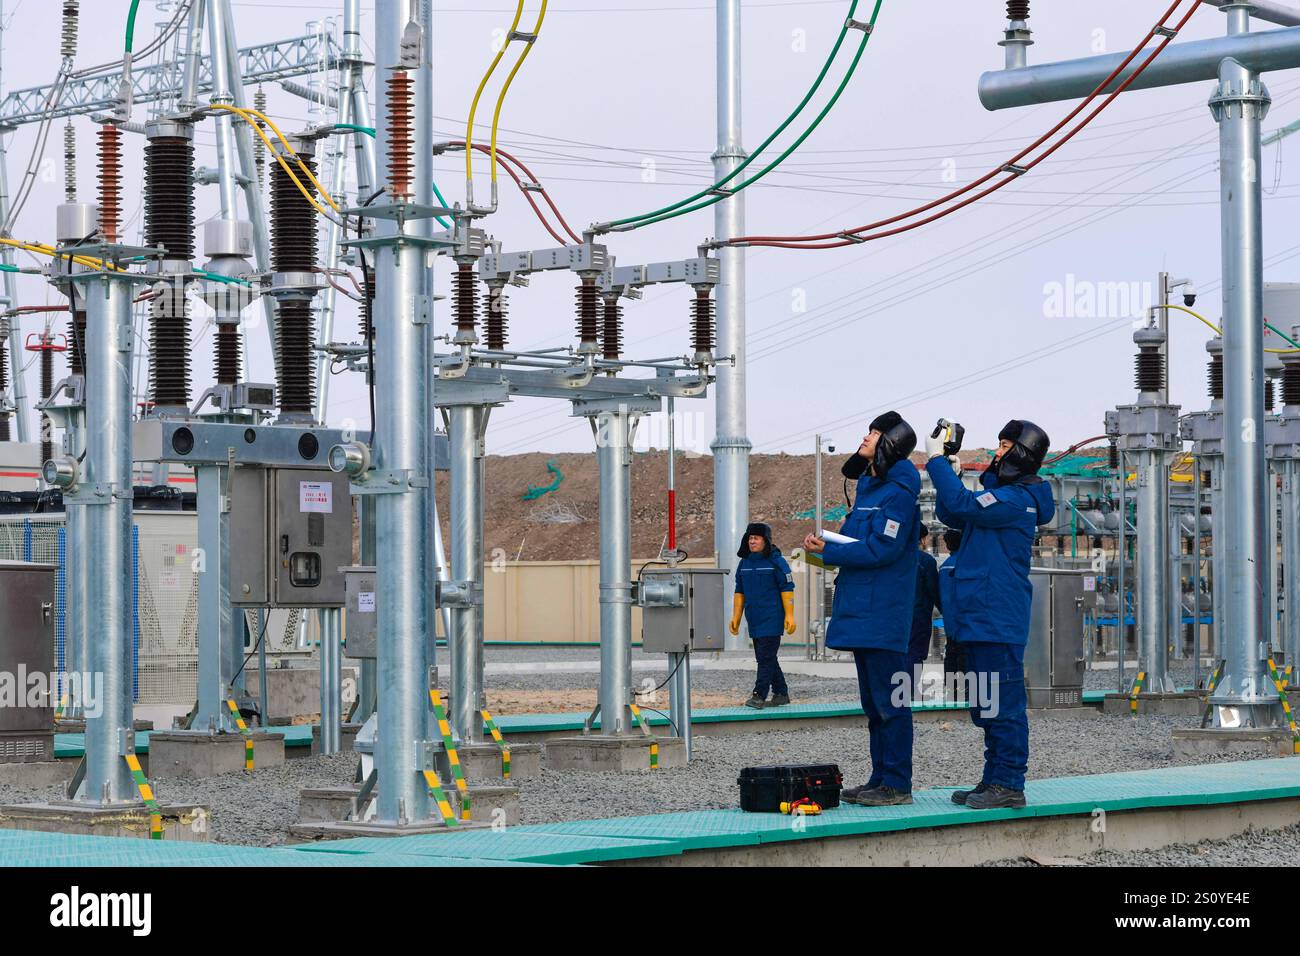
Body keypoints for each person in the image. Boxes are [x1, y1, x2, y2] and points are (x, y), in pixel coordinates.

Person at [924, 419, 1055, 810]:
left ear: (1021, 453)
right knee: (986, 706)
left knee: (1004, 704)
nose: (996, 452)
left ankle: (1010, 783)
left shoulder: (1017, 501)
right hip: (979, 616)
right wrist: (950, 472)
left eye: (1003, 445)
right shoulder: (1002, 500)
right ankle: (994, 779)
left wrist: (934, 463)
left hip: (996, 617)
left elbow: (964, 505)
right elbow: (953, 511)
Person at [804, 411, 920, 807]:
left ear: (890, 443)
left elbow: (882, 549)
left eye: (874, 433)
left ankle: (897, 784)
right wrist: (823, 550)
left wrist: (834, 549)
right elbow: (853, 549)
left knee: (892, 703)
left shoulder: (898, 496)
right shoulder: (870, 491)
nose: (866, 437)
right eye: (868, 431)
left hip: (884, 613)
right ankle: (879, 778)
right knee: (874, 705)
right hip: (864, 611)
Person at [730, 522, 796, 709]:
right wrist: (736, 616)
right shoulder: (744, 563)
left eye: (756, 538)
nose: (752, 541)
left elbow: (787, 588)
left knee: (765, 657)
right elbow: (739, 591)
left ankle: (759, 695)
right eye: (750, 538)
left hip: (772, 618)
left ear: (765, 540)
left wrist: (789, 615)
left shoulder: (777, 562)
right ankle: (781, 693)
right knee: (766, 657)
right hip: (754, 619)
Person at [938, 528, 968, 702]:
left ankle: (951, 692)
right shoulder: (966, 565)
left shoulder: (944, 566)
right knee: (965, 657)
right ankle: (966, 693)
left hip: (949, 620)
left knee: (951, 655)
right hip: (965, 621)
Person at [909, 520, 941, 672]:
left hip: (893, 615)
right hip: (918, 616)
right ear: (921, 539)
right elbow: (934, 590)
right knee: (914, 655)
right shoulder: (926, 561)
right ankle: (906, 691)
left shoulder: (893, 557)